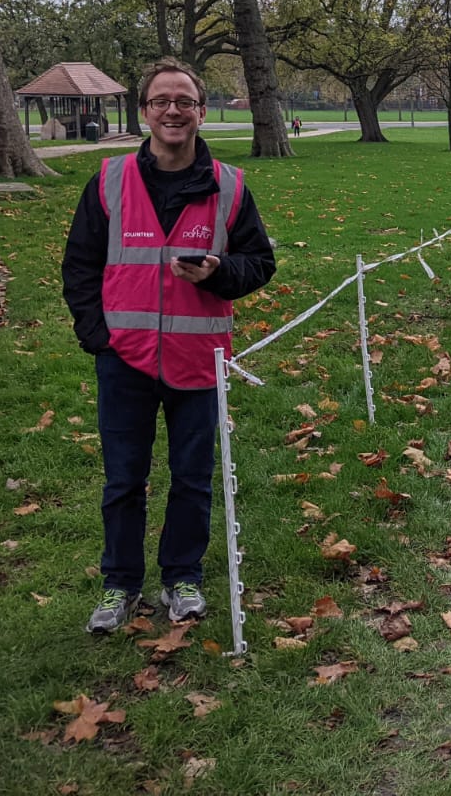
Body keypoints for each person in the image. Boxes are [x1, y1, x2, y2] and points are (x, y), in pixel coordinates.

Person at [63, 59, 276, 634]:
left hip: (198, 361)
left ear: (201, 112)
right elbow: (80, 266)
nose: (173, 110)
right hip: (124, 360)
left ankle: (182, 576)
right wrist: (98, 337)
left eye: (184, 101)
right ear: (145, 113)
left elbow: (260, 263)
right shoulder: (109, 180)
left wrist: (218, 272)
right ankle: (119, 584)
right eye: (161, 101)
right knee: (123, 479)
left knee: (191, 477)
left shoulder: (229, 186)